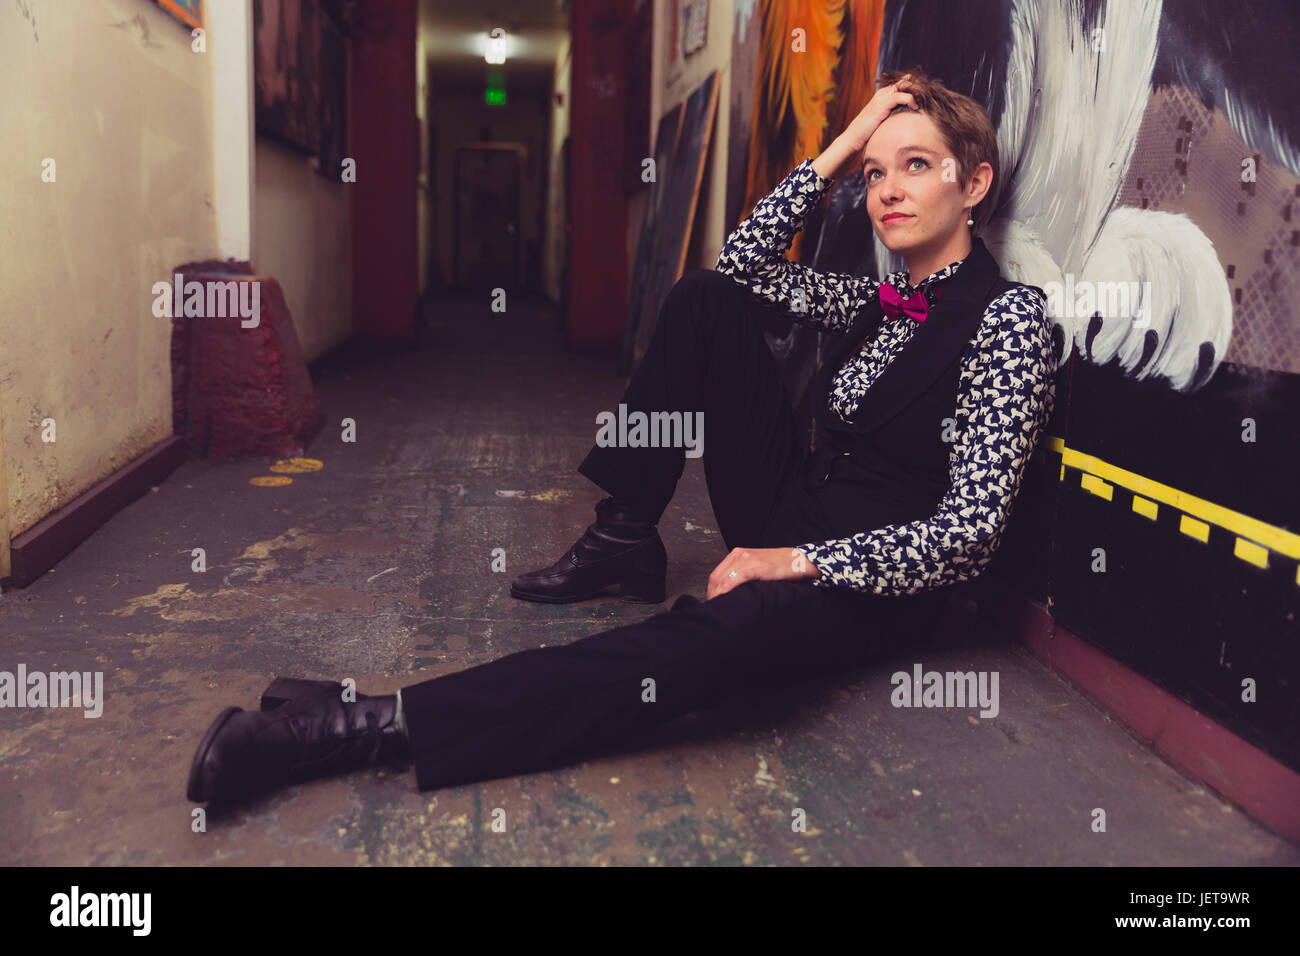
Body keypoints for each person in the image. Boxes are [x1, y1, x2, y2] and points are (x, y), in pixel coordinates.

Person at [187, 66, 1057, 808]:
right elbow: (743, 265)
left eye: (915, 167)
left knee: (698, 646)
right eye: (875, 174)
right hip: (799, 508)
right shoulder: (875, 298)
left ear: (973, 184)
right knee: (708, 298)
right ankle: (624, 532)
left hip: (870, 576)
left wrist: (793, 563)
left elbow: (970, 537)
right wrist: (846, 140)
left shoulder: (1009, 322)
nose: (888, 191)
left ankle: (357, 724)